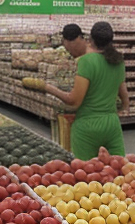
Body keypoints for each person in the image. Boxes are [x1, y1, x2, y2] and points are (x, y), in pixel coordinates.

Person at [45, 20, 128, 158]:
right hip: (112, 124)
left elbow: (73, 100)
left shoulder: (87, 61)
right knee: (119, 170)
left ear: (90, 39)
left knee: (86, 174)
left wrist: (47, 88)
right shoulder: (118, 61)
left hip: (87, 127)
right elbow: (125, 101)